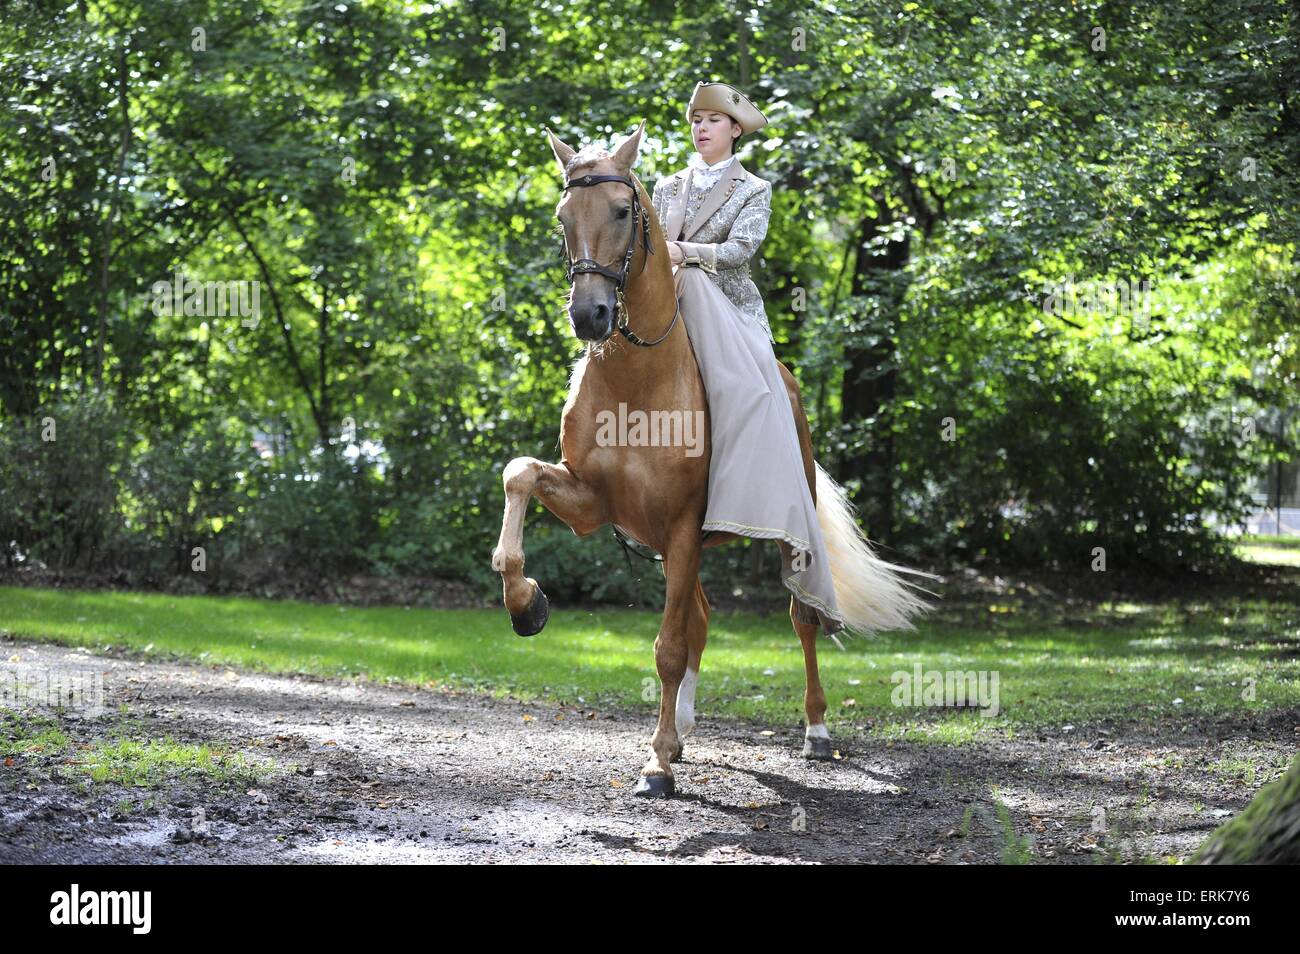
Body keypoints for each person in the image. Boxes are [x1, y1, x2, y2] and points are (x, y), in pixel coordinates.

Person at [651, 81, 846, 636]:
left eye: (712, 121)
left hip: (727, 308)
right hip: (666, 304)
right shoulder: (667, 186)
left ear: (735, 130)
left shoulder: (753, 189)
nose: (701, 129)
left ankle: (754, 491)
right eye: (695, 121)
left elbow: (740, 253)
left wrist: (686, 251)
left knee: (755, 391)